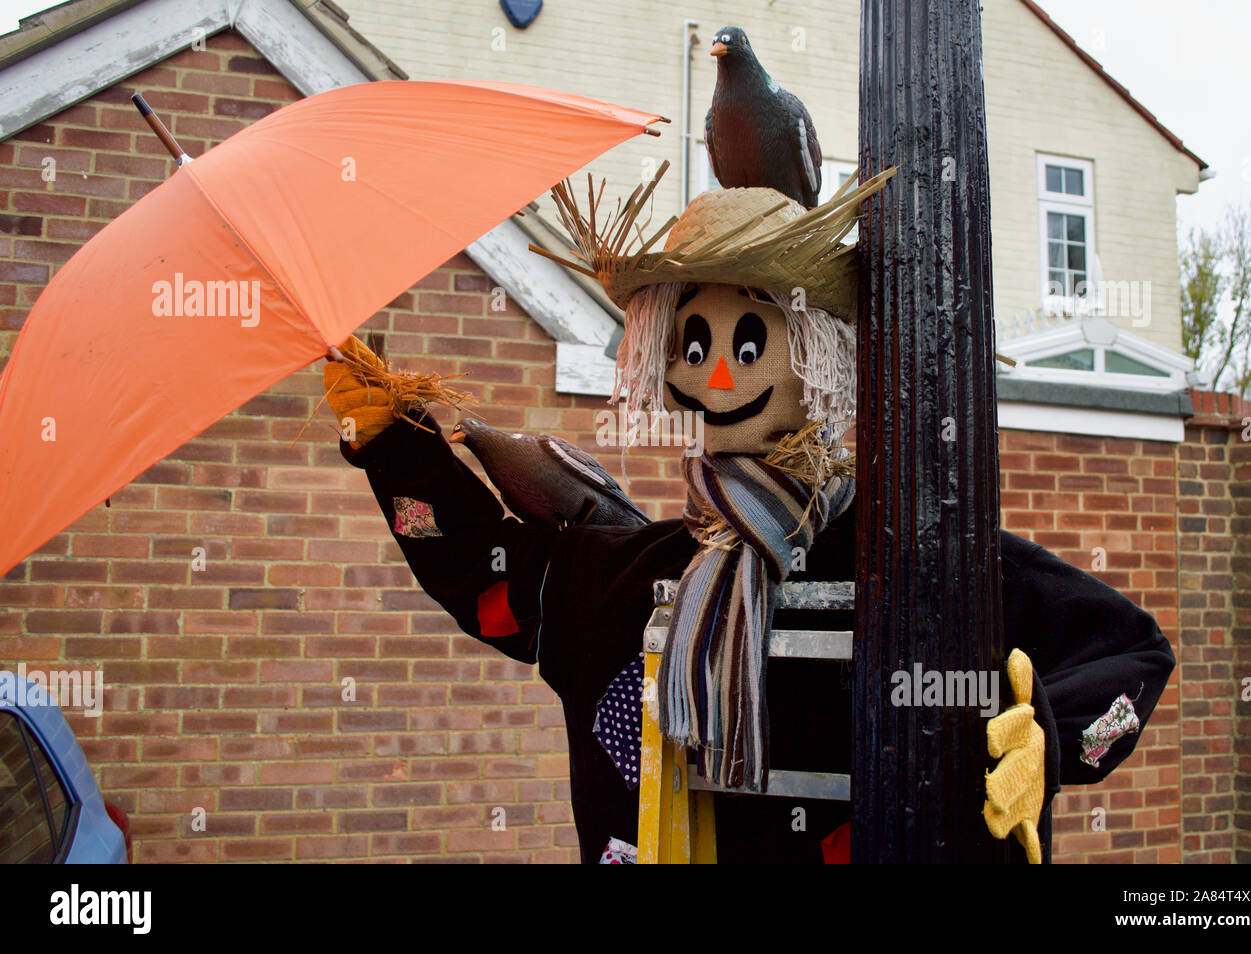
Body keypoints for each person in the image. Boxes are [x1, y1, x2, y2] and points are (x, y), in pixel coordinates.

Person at [323, 176, 1175, 863]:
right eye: (696, 349)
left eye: (751, 343)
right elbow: (493, 579)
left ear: (818, 355)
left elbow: (1129, 653)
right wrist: (395, 443)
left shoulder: (932, 569)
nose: (721, 380)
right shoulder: (623, 578)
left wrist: (1051, 745)